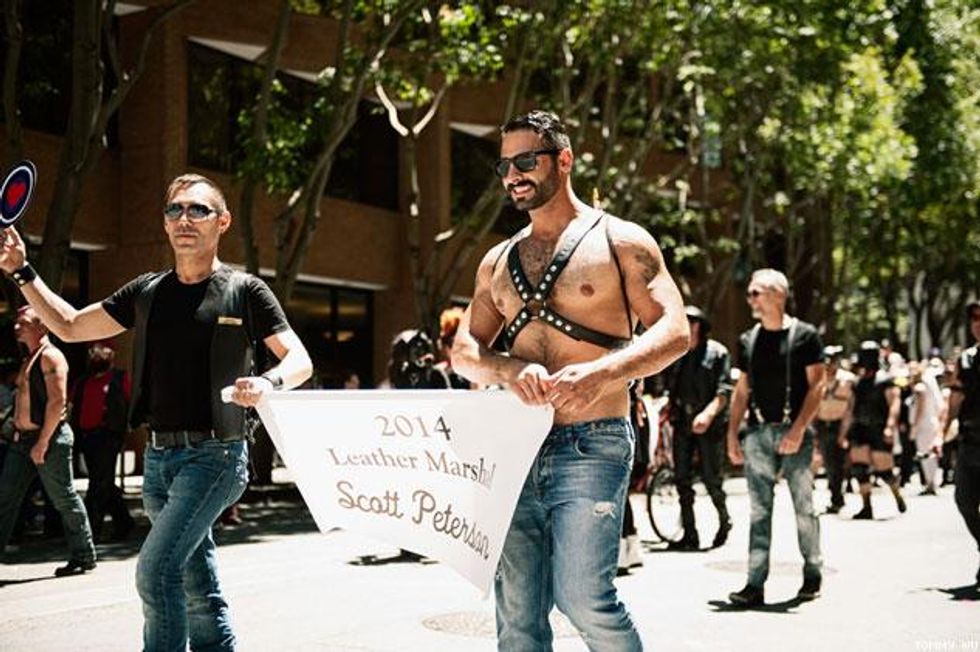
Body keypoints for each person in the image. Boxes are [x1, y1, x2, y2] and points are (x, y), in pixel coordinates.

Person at [0, 173, 312, 651]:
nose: (184, 219)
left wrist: (268, 381)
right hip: (160, 462)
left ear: (222, 222)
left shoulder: (244, 290)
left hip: (216, 456)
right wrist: (23, 271)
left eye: (198, 210)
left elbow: (300, 361)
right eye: (175, 210)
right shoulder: (147, 291)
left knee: (155, 570)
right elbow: (68, 324)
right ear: (165, 224)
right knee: (194, 585)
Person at [453, 109, 688, 651]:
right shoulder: (497, 260)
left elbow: (674, 332)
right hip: (513, 449)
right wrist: (509, 369)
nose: (513, 175)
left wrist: (603, 371)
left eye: (526, 161)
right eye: (504, 165)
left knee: (585, 599)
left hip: (593, 440)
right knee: (517, 616)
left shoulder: (623, 241)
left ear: (564, 160)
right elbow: (466, 351)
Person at [726, 268, 825, 606]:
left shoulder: (805, 336)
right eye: (750, 293)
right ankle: (755, 584)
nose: (750, 299)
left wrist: (798, 430)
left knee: (804, 508)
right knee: (758, 512)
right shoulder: (747, 340)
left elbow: (818, 386)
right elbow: (741, 392)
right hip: (757, 434)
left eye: (757, 293)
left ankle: (812, 571)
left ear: (779, 295)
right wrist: (732, 435)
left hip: (794, 431)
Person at [0, 306, 97, 576]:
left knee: (63, 498)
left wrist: (42, 443)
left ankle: (84, 555)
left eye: (24, 322)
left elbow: (57, 403)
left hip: (49, 438)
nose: (17, 326)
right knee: (5, 498)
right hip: (23, 441)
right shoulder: (29, 358)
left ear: (41, 327)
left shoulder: (51, 357)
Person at [661, 305, 733, 551]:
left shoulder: (717, 353)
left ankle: (724, 521)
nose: (689, 327)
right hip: (683, 423)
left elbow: (725, 390)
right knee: (682, 480)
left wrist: (709, 414)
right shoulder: (678, 354)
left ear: (701, 326)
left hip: (709, 425)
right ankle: (689, 534)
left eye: (693, 322)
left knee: (712, 479)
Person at [70, 339, 135, 541]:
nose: (95, 354)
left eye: (101, 350)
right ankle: (124, 522)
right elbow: (73, 407)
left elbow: (130, 403)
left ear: (111, 354)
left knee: (97, 484)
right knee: (103, 481)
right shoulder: (82, 381)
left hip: (108, 436)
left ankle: (91, 532)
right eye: (92, 350)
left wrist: (128, 431)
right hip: (86, 437)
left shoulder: (119, 377)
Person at [845, 340, 907, 519]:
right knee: (860, 468)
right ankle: (866, 506)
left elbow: (894, 404)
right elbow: (851, 408)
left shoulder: (885, 380)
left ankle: (897, 494)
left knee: (884, 470)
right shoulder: (858, 383)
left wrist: (889, 427)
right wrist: (845, 432)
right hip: (860, 429)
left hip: (878, 429)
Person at [944, 301, 980, 589]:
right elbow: (955, 397)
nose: (978, 323)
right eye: (974, 319)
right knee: (964, 500)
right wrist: (944, 430)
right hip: (970, 439)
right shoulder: (966, 359)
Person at [815, 345, 854, 514]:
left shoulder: (848, 380)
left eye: (832, 361)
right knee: (831, 464)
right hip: (824, 425)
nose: (829, 365)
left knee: (843, 463)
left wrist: (845, 431)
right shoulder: (817, 380)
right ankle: (836, 497)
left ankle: (841, 493)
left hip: (842, 424)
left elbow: (851, 407)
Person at [909, 359, 944, 495]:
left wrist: (914, 427)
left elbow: (920, 409)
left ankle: (931, 483)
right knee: (930, 454)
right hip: (930, 422)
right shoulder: (926, 385)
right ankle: (931, 483)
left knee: (925, 453)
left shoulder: (920, 387)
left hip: (923, 425)